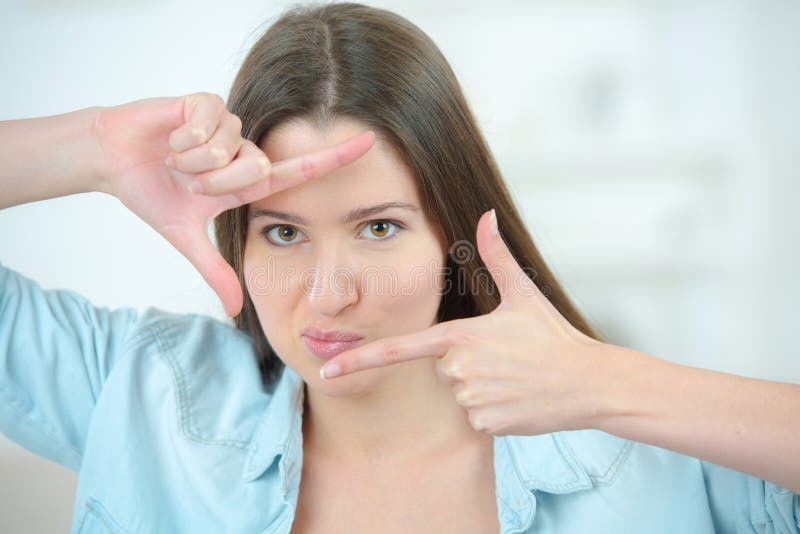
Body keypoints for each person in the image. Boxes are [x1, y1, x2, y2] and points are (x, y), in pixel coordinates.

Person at [0, 2, 797, 533]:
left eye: (378, 227)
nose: (328, 292)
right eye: (282, 233)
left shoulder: (640, 466)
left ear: (452, 237)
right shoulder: (144, 393)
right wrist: (94, 149)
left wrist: (606, 386)